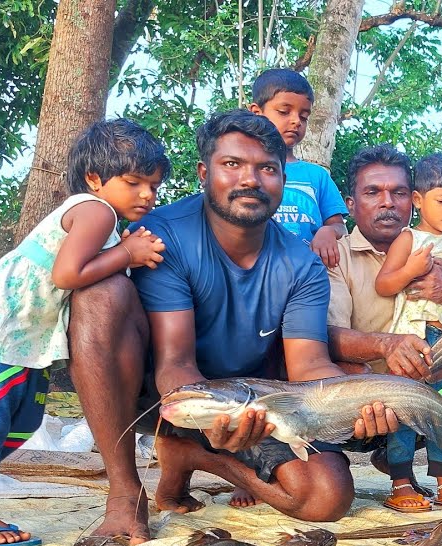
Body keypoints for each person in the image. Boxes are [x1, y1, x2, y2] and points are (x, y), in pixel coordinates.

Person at [0, 118, 170, 546]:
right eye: (134, 183)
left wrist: (123, 249)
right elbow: (67, 274)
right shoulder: (95, 211)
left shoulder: (104, 218)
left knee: (22, 424)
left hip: (27, 339)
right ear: (94, 179)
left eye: (153, 186)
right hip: (1, 330)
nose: (147, 195)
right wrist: (127, 253)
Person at [127, 109, 400, 522]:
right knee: (102, 297)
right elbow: (175, 361)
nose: (251, 180)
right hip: (171, 396)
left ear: (283, 181)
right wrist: (210, 419)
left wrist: (358, 405)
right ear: (204, 172)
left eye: (267, 168)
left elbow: (309, 365)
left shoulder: (301, 262)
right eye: (232, 164)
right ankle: (128, 486)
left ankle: (194, 456)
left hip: (258, 400)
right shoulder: (161, 235)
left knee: (326, 498)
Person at [327, 144, 442, 512]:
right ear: (351, 203)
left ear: (410, 200)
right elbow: (325, 339)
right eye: (373, 192)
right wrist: (387, 345)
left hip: (438, 356)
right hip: (364, 394)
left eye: (397, 192)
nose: (387, 202)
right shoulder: (335, 254)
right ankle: (397, 476)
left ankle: (441, 479)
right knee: (401, 404)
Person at [372, 153, 442, 512]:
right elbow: (384, 284)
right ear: (418, 200)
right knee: (403, 411)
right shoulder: (409, 238)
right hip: (411, 342)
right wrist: (411, 269)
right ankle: (400, 483)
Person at [249, 68, 347, 269]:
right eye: (284, 112)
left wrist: (328, 232)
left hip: (306, 275)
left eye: (303, 117)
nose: (296, 121)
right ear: (257, 113)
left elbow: (339, 226)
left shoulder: (317, 176)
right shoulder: (245, 173)